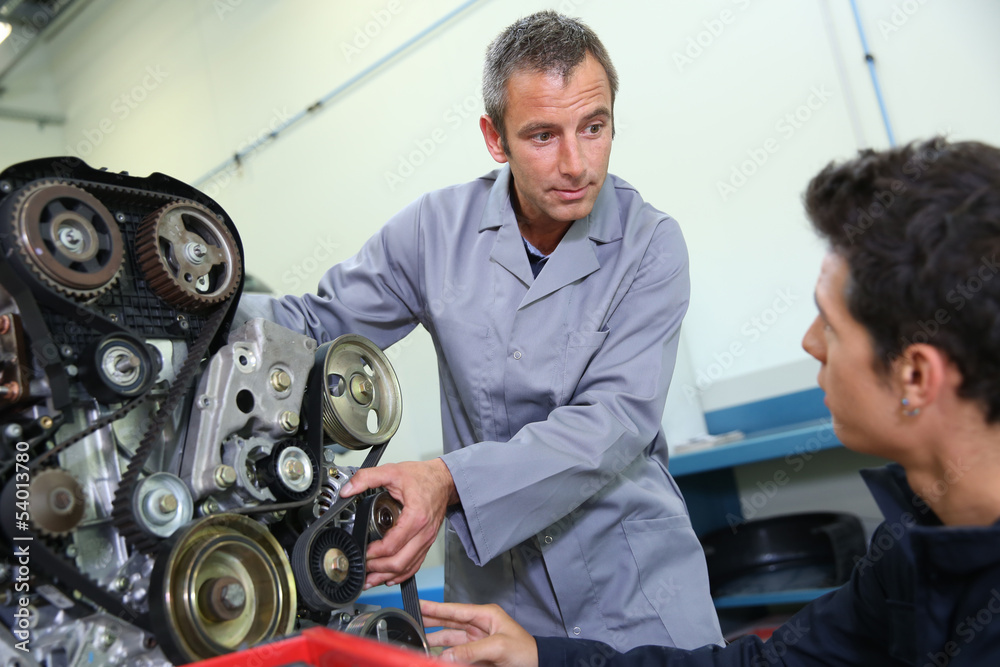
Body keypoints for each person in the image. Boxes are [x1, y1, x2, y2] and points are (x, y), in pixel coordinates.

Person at [238, 10, 722, 652]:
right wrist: (197, 309)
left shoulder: (652, 245)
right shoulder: (434, 232)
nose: (576, 163)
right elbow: (317, 328)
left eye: (594, 127)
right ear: (496, 139)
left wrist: (447, 479)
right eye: (543, 135)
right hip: (497, 597)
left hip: (634, 589)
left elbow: (612, 421)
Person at [420, 136, 1000, 666]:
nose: (809, 342)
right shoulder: (917, 548)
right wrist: (546, 659)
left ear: (917, 376)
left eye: (831, 324)